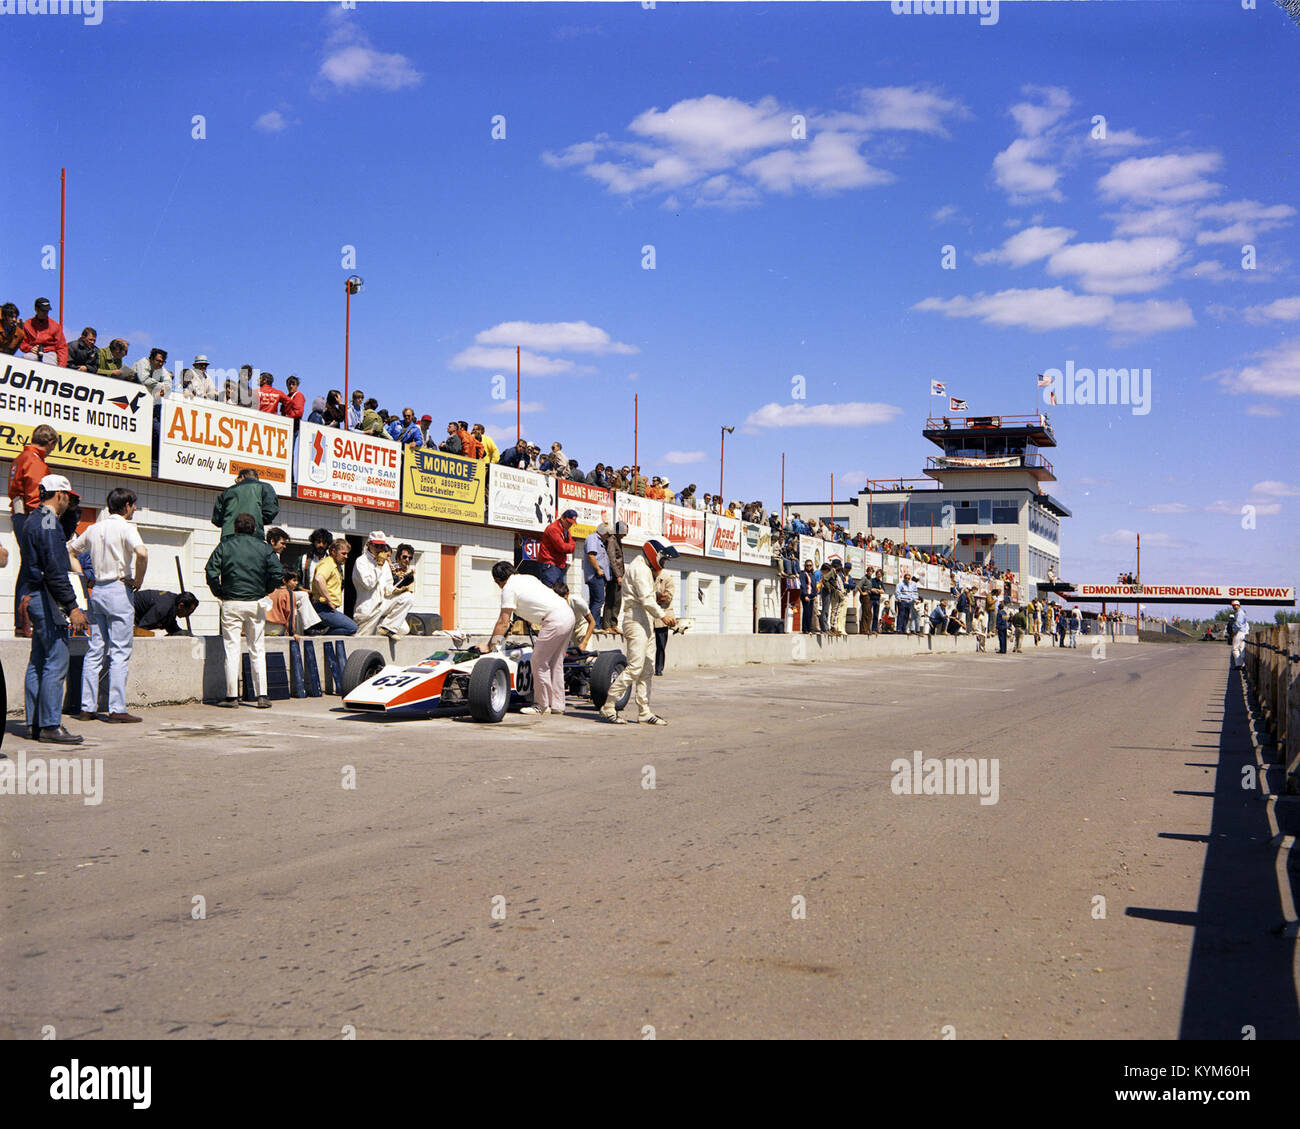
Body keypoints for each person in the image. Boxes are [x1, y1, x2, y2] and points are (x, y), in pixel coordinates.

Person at [16, 474, 89, 743]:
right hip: (47, 598)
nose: (69, 502)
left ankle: (35, 723)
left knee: (38, 660)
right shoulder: (48, 522)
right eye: (68, 497)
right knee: (56, 660)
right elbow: (55, 569)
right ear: (60, 495)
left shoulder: (34, 520)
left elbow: (65, 533)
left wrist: (72, 510)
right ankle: (50, 725)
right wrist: (71, 606)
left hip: (33, 595)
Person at [68, 487, 148, 723]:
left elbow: (70, 551)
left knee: (95, 650)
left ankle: (87, 707)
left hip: (98, 590)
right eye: (133, 505)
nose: (134, 509)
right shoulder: (127, 528)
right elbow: (142, 553)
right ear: (126, 506)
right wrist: (138, 581)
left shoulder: (94, 529)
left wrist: (84, 579)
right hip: (118, 588)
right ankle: (116, 709)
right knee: (120, 651)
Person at [204, 512, 283, 708]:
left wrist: (219, 591)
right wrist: (266, 589)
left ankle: (231, 697)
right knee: (257, 648)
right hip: (255, 603)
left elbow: (211, 570)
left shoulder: (225, 545)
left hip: (231, 602)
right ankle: (262, 696)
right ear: (254, 529)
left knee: (231, 649)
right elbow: (277, 572)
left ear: (235, 528)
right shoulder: (264, 548)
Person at [599, 539, 678, 725]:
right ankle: (609, 705)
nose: (663, 564)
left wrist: (660, 615)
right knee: (635, 666)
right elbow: (646, 599)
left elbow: (649, 599)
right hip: (635, 620)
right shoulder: (640, 568)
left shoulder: (645, 568)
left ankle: (644, 711)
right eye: (663, 560)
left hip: (646, 620)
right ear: (654, 554)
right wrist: (663, 616)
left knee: (648, 668)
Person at [486, 561, 575, 715]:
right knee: (555, 663)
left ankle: (541, 705)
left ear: (498, 581)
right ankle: (557, 705)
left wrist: (489, 646)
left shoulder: (508, 588)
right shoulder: (527, 578)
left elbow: (503, 621)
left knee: (538, 661)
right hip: (567, 613)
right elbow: (536, 602)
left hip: (554, 619)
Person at [352, 531, 416, 636]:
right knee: (362, 642)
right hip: (368, 610)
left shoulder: (384, 563)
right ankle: (380, 630)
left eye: (382, 546)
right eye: (377, 546)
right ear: (369, 544)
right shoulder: (361, 561)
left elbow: (387, 586)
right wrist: (379, 566)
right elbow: (368, 584)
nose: (380, 549)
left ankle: (388, 627)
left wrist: (396, 591)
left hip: (383, 606)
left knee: (408, 598)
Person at [211, 467, 279, 540]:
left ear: (243, 477)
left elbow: (217, 519)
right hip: (253, 535)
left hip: (229, 537)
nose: (236, 482)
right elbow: (271, 510)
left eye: (237, 480)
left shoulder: (227, 492)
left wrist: (228, 525)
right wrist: (257, 521)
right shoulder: (265, 487)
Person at [310, 538, 357, 635]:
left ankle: (322, 631)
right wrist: (329, 600)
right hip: (323, 608)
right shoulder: (328, 563)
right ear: (333, 551)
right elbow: (319, 578)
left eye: (347, 554)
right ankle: (323, 632)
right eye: (343, 553)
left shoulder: (335, 565)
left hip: (327, 608)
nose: (346, 556)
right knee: (352, 628)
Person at [19, 297, 67, 367]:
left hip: (50, 354)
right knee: (24, 360)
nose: (45, 313)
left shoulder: (55, 326)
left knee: (49, 366)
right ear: (36, 309)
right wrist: (30, 348)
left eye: (47, 311)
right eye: (43, 310)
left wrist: (61, 367)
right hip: (32, 354)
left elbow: (62, 347)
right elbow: (22, 344)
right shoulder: (27, 324)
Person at [537, 509, 578, 589]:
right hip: (550, 564)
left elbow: (572, 545)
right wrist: (570, 546)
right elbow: (562, 547)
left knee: (558, 592)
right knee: (550, 592)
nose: (570, 525)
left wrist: (570, 546)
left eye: (572, 523)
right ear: (562, 518)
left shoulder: (565, 530)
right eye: (568, 522)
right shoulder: (553, 528)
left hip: (559, 564)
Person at [133, 589, 200, 635]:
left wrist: (179, 632)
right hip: (128, 608)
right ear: (181, 605)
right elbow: (141, 629)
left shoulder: (172, 603)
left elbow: (170, 625)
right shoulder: (163, 607)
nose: (188, 615)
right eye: (189, 612)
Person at [555, 581, 596, 651]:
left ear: (568, 594)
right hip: (569, 630)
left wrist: (585, 642)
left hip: (582, 628)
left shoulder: (578, 602)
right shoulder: (554, 605)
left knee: (585, 655)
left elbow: (592, 622)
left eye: (563, 599)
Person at [653, 559, 677, 676]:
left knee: (661, 645)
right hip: (649, 615)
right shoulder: (647, 576)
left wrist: (653, 596)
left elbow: (667, 597)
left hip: (663, 616)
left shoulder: (667, 578)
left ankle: (659, 668)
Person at [584, 520, 611, 624]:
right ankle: (594, 625)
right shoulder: (593, 538)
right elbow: (591, 555)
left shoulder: (600, 540)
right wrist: (598, 569)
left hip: (598, 575)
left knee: (595, 601)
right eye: (608, 534)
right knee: (599, 600)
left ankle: (590, 624)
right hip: (595, 575)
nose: (608, 536)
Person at [601, 520, 627, 630]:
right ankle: (607, 624)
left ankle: (614, 623)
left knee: (617, 600)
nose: (625, 534)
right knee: (610, 600)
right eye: (624, 531)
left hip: (619, 575)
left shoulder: (618, 540)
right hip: (613, 576)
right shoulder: (612, 540)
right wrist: (618, 576)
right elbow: (612, 559)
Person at [1229, 600, 1249, 669]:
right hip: (1243, 632)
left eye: (1235, 605)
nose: (1234, 607)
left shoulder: (1239, 613)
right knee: (1242, 648)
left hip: (1239, 632)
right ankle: (1243, 664)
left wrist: (1234, 632)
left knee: (1235, 649)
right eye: (1233, 605)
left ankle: (1238, 664)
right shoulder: (1241, 612)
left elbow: (1238, 624)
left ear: (1238, 605)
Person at [799, 559, 818, 634]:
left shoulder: (812, 574)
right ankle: (805, 629)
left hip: (812, 596)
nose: (809, 567)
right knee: (806, 612)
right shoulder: (803, 574)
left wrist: (815, 594)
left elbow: (814, 585)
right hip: (805, 595)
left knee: (810, 613)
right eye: (807, 565)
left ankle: (809, 628)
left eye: (810, 565)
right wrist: (805, 595)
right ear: (805, 566)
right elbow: (803, 585)